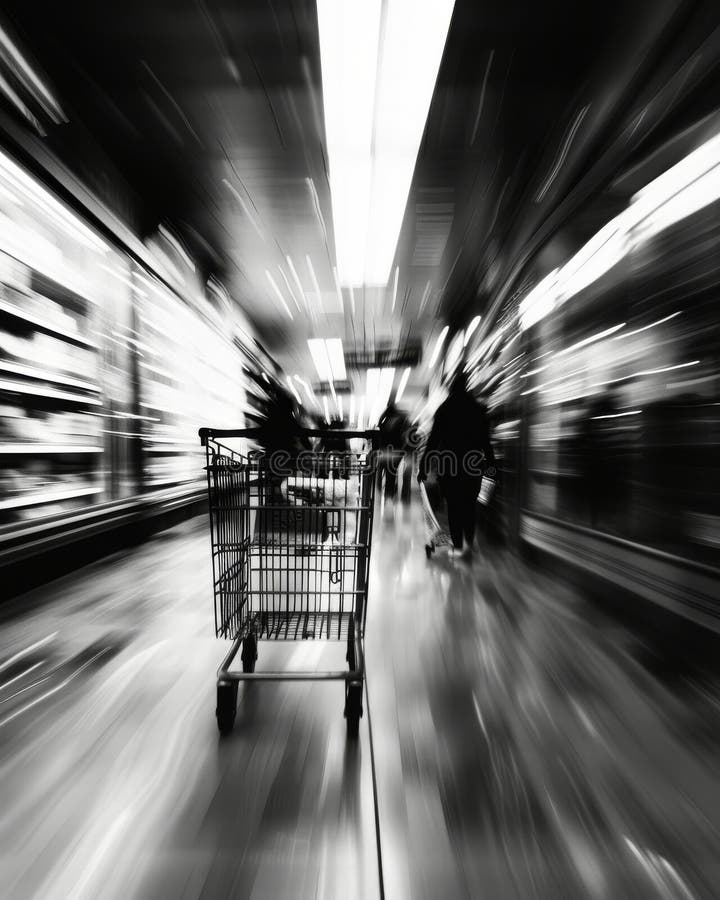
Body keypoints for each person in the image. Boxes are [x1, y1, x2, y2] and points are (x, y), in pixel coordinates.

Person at [417, 372, 496, 559]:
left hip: (449, 467)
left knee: (453, 507)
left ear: (451, 388)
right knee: (469, 506)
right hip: (473, 466)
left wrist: (424, 467)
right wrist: (491, 467)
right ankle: (468, 543)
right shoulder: (478, 409)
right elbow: (486, 442)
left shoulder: (444, 409)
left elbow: (433, 442)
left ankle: (459, 546)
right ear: (467, 385)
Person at [377, 400, 412, 503]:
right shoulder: (402, 419)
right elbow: (405, 437)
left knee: (387, 475)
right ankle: (390, 495)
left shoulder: (385, 421)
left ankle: (387, 495)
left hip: (385, 452)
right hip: (396, 452)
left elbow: (380, 431)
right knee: (391, 476)